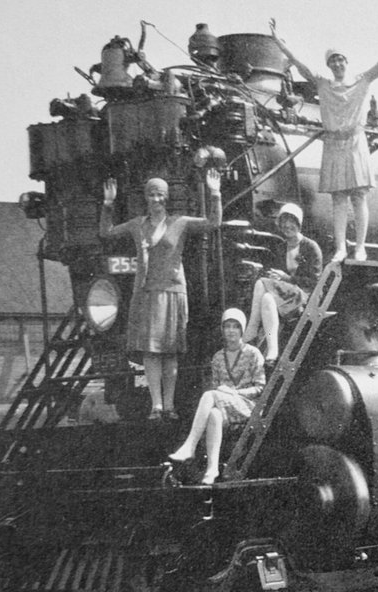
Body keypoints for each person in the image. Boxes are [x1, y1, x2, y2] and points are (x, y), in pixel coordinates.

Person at [270, 17, 378, 263]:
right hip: (334, 143)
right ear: (329, 65)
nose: (337, 62)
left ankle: (360, 247)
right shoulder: (323, 83)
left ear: (346, 61)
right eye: (332, 60)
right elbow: (299, 63)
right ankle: (340, 248)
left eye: (340, 58)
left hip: (356, 142)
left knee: (359, 197)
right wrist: (277, 41)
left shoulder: (363, 79)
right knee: (338, 199)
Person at [100, 170, 222, 420]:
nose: (156, 199)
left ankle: (169, 406)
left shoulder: (180, 222)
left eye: (160, 195)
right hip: (146, 293)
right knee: (151, 352)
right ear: (146, 198)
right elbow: (107, 232)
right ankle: (156, 406)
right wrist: (108, 203)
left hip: (173, 291)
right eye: (152, 194)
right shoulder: (137, 224)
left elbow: (213, 222)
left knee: (170, 352)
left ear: (166, 198)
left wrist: (214, 192)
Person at [168, 308, 266, 485]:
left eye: (235, 327)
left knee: (209, 395)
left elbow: (260, 388)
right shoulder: (218, 357)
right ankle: (212, 469)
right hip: (226, 406)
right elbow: (216, 386)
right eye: (227, 326)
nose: (231, 330)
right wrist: (223, 392)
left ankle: (190, 445)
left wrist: (235, 393)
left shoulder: (253, 353)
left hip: (249, 406)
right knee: (214, 414)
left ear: (242, 330)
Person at [242, 203, 322, 364]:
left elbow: (314, 282)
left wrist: (287, 278)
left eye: (291, 222)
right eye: (284, 223)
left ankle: (251, 328)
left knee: (261, 284)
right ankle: (273, 350)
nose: (287, 227)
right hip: (286, 293)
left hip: (305, 294)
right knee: (266, 298)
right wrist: (276, 277)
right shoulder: (280, 246)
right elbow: (277, 274)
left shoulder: (310, 247)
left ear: (299, 224)